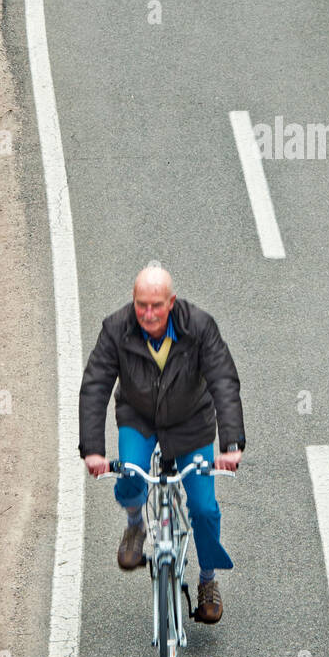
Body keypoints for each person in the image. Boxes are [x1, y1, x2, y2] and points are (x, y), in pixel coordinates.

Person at [78, 262, 245, 623]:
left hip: (191, 423)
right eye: (141, 304)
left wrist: (231, 443)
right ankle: (136, 523)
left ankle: (207, 580)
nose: (148, 313)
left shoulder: (199, 327)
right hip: (139, 417)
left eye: (156, 305)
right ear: (133, 302)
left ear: (172, 302)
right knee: (131, 475)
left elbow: (223, 381)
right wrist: (92, 449)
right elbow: (95, 386)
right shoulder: (115, 329)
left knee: (203, 508)